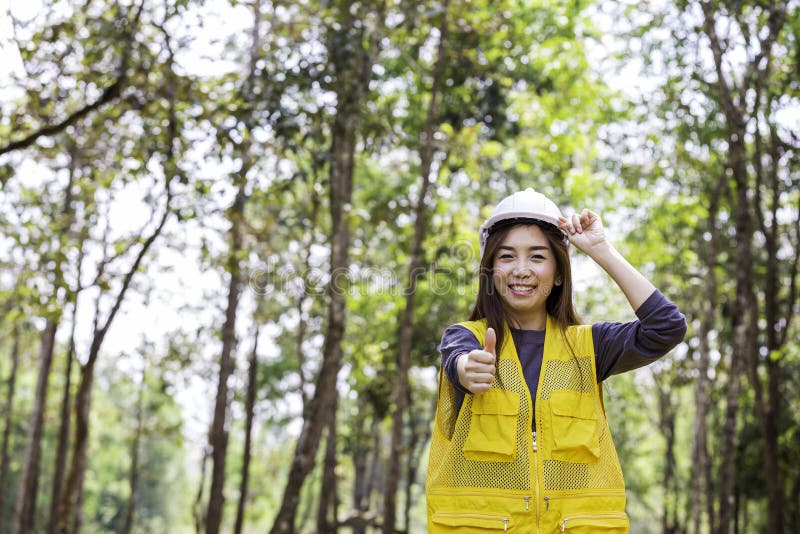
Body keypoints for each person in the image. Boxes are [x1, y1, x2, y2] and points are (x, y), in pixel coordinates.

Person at [425, 188, 687, 533]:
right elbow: (458, 359)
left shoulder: (589, 347)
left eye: (537, 257)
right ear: (489, 271)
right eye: (506, 257)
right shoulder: (466, 337)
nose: (521, 269)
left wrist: (600, 250)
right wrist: (467, 368)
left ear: (559, 273)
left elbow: (666, 327)